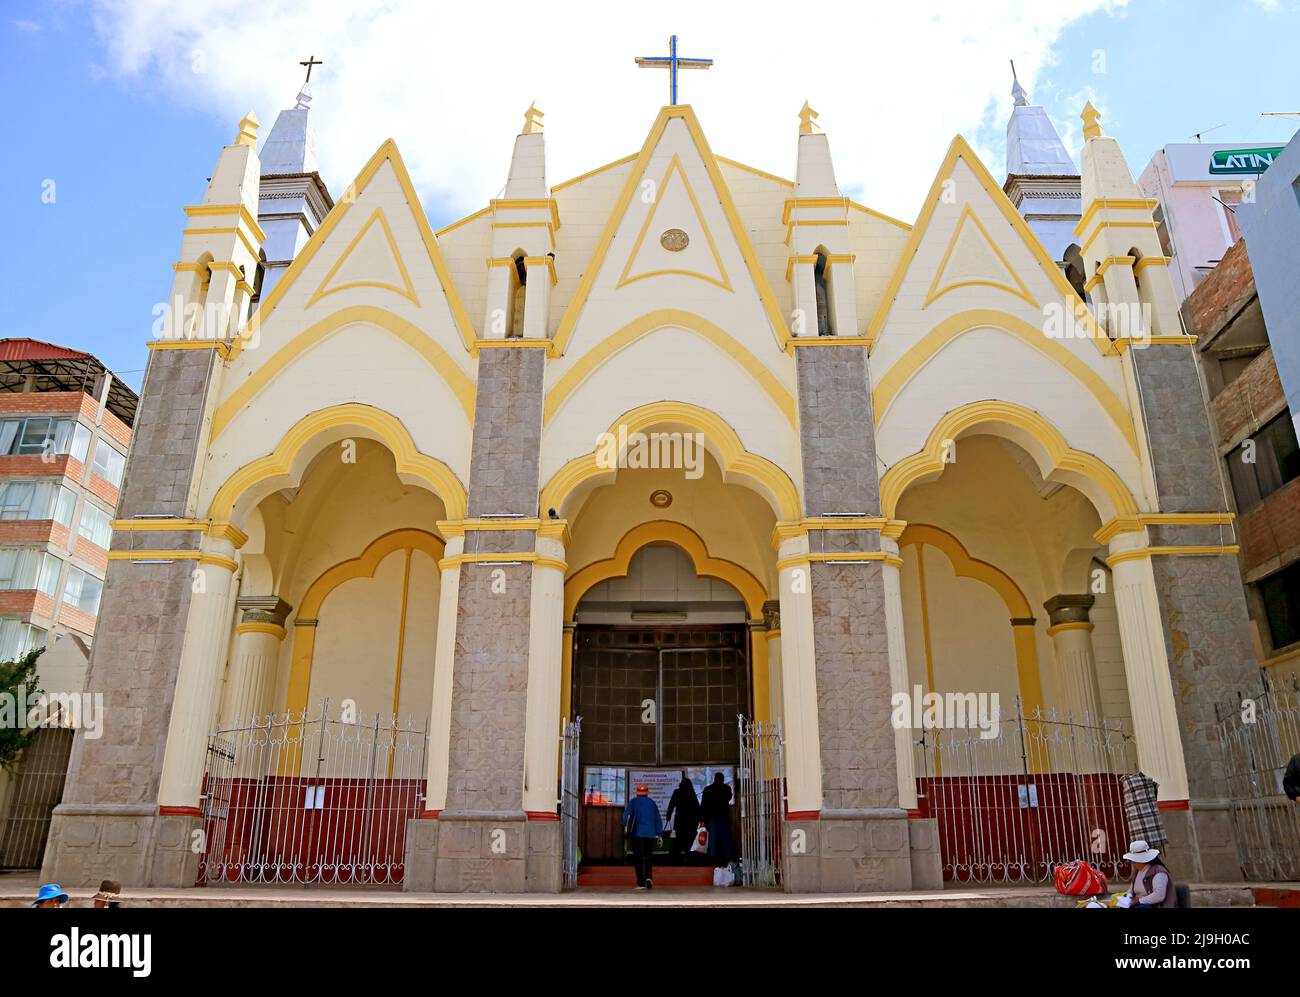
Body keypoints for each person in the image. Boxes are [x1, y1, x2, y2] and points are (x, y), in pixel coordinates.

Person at [622, 783, 664, 889]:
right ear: (646, 793)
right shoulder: (652, 803)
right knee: (648, 857)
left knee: (638, 858)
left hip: (637, 834)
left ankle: (641, 883)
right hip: (650, 834)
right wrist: (659, 834)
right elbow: (657, 819)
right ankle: (649, 878)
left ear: (637, 793)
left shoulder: (634, 802)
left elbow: (625, 816)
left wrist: (624, 825)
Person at [1123, 839, 1177, 908]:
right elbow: (1131, 890)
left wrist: (1139, 900)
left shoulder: (1159, 872)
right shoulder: (1137, 871)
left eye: (1133, 860)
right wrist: (1128, 897)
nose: (1132, 863)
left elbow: (1159, 895)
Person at [700, 771, 734, 868]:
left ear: (714, 779)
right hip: (723, 817)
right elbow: (729, 798)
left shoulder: (707, 789)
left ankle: (714, 859)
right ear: (723, 779)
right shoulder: (726, 788)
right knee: (725, 839)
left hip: (711, 818)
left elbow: (703, 805)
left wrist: (703, 819)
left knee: (713, 839)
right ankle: (726, 859)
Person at [665, 773, 700, 860]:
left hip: (680, 821)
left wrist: (668, 815)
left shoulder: (677, 792)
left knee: (679, 839)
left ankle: (675, 857)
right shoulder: (692, 793)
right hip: (690, 822)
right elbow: (697, 808)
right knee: (688, 841)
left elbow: (671, 805)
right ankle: (687, 857)